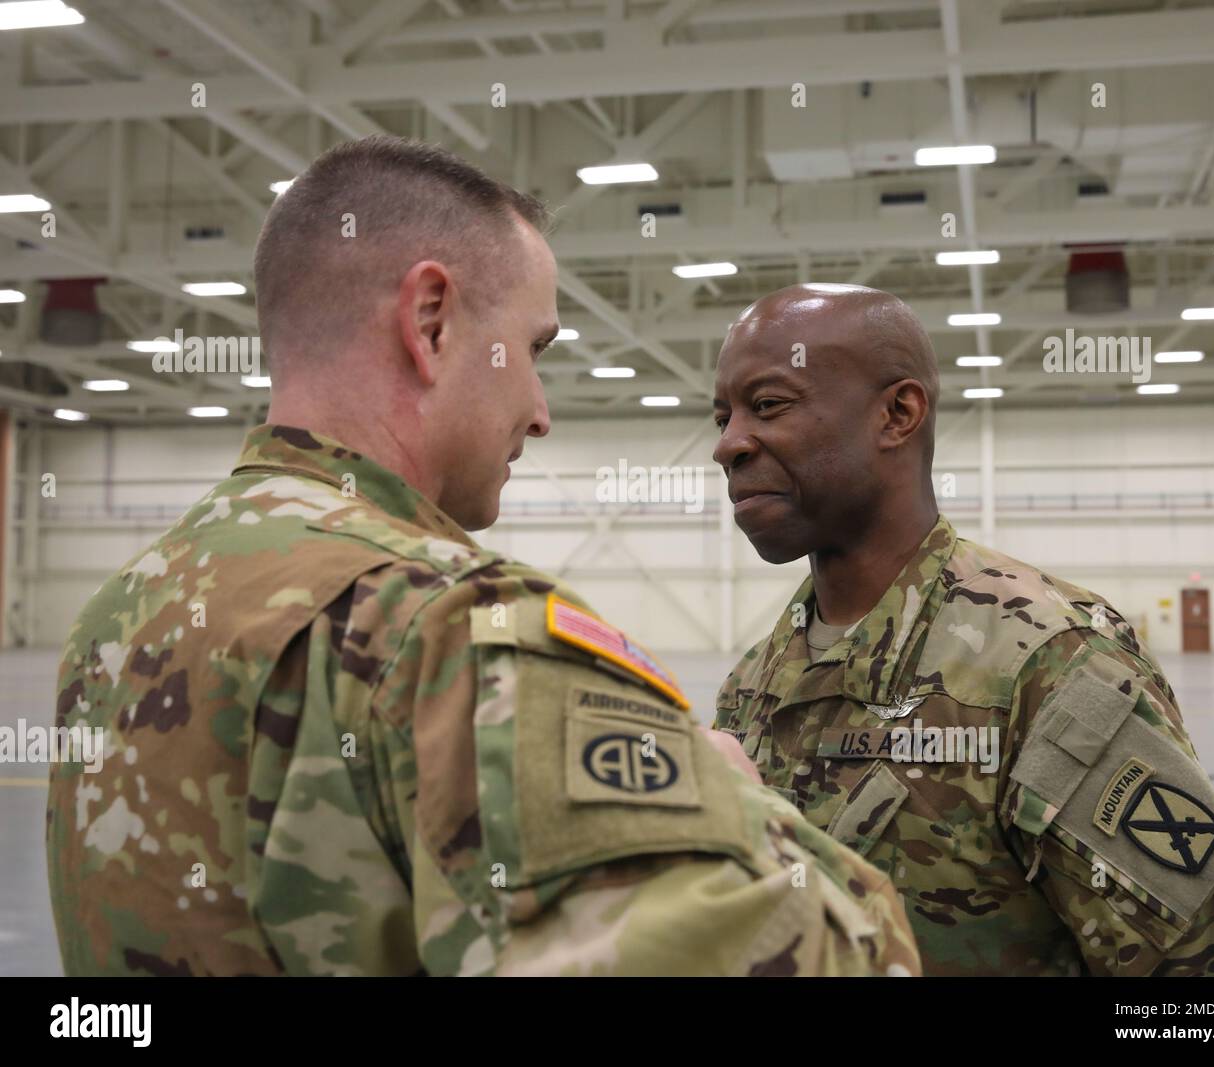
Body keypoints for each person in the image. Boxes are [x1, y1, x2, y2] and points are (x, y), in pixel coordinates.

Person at [46, 139, 920, 977]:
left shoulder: (122, 610)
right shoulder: (448, 629)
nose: (540, 411)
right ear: (430, 321)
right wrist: (739, 800)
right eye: (534, 350)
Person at [710, 282, 1214, 977]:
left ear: (898, 413)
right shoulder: (753, 684)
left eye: (767, 405)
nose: (728, 444)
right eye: (722, 416)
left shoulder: (1050, 664)